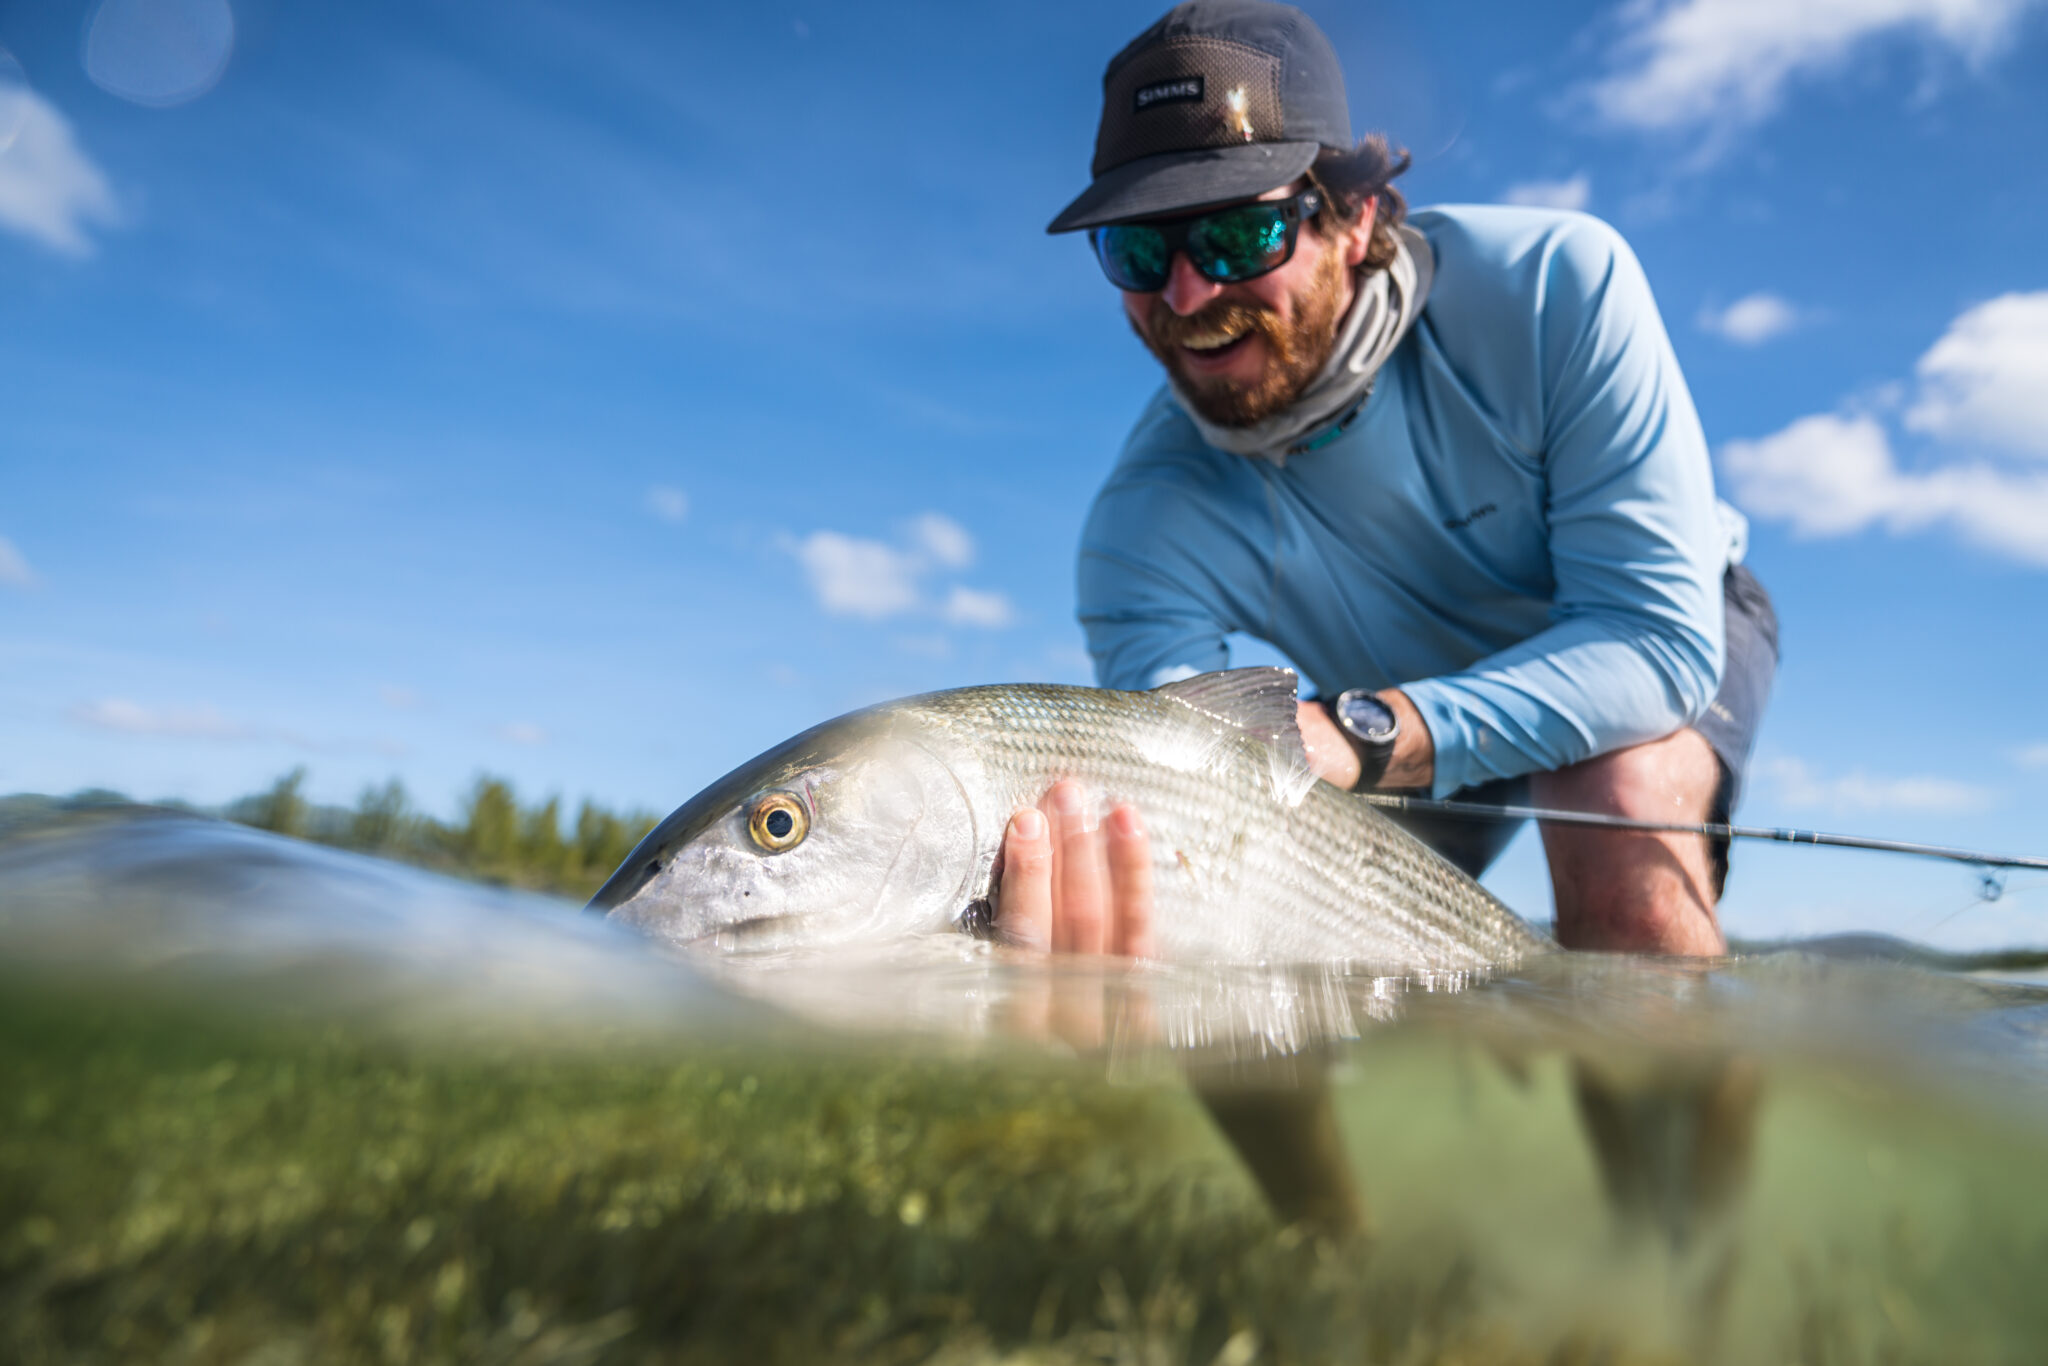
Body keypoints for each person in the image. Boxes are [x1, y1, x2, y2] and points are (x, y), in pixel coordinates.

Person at [996, 0, 1778, 959]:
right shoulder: (1137, 529)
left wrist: (1363, 734)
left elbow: (1654, 642)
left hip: (1652, 621)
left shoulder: (1556, 284)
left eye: (1242, 238)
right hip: (1382, 709)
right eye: (1140, 250)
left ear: (1355, 217)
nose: (1188, 295)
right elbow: (1187, 798)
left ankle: (1681, 1107)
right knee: (1218, 911)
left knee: (1612, 801)